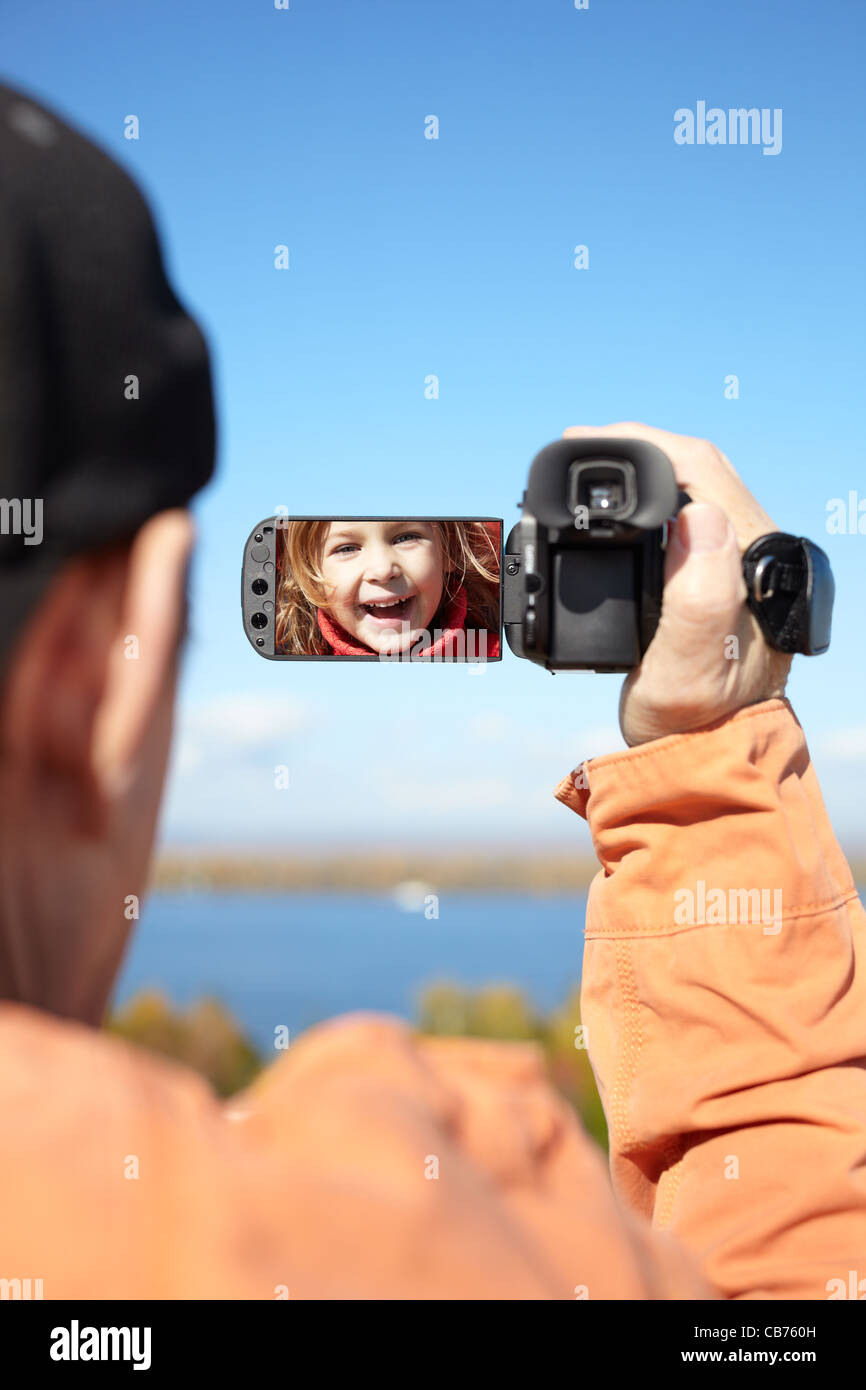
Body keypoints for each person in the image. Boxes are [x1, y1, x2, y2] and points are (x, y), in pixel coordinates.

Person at [1, 80, 864, 1301]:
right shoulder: (371, 1243)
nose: (378, 577)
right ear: (94, 673)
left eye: (398, 549)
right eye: (340, 556)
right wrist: (714, 762)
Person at [274, 517, 501, 659]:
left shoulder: (496, 655)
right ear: (310, 575)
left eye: (405, 538)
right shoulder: (302, 679)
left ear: (449, 550)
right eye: (347, 549)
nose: (382, 570)